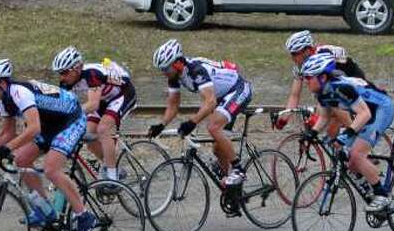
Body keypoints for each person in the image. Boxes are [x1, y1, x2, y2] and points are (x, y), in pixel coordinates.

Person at [0, 59, 98, 231]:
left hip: (71, 119)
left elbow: (33, 129)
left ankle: (85, 216)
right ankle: (46, 211)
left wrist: (5, 149)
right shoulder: (3, 101)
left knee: (52, 169)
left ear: (2, 83)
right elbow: (7, 133)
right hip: (49, 125)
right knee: (20, 160)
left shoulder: (19, 92)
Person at [148, 39, 251, 198]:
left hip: (238, 89)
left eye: (165, 68)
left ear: (176, 63)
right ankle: (229, 187)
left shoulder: (196, 70)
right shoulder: (174, 76)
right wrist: (161, 125)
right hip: (222, 96)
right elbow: (173, 106)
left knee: (213, 127)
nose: (163, 72)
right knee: (218, 149)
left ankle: (238, 169)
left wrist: (192, 122)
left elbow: (210, 102)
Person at [298, 52, 394, 212]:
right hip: (366, 112)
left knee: (356, 154)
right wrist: (311, 134)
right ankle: (371, 180)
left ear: (322, 77)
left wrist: (348, 133)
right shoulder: (321, 92)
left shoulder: (341, 87)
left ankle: (383, 195)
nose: (305, 81)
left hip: (381, 109)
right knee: (349, 160)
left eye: (308, 77)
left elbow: (365, 114)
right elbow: (324, 117)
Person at [51, 47, 136, 182]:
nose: (62, 77)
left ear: (77, 68)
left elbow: (92, 105)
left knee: (103, 128)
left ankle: (113, 177)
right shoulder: (66, 81)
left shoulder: (92, 74)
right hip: (104, 99)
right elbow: (62, 106)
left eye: (64, 72)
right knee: (88, 136)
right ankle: (114, 166)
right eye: (59, 73)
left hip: (123, 93)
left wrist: (70, 115)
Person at [280, 30, 365, 123]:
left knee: (333, 109)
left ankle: (353, 133)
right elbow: (294, 95)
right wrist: (284, 118)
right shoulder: (300, 67)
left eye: (295, 54)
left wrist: (317, 116)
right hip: (337, 88)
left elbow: (328, 90)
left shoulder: (324, 56)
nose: (292, 58)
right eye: (291, 54)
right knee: (328, 123)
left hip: (353, 81)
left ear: (307, 50)